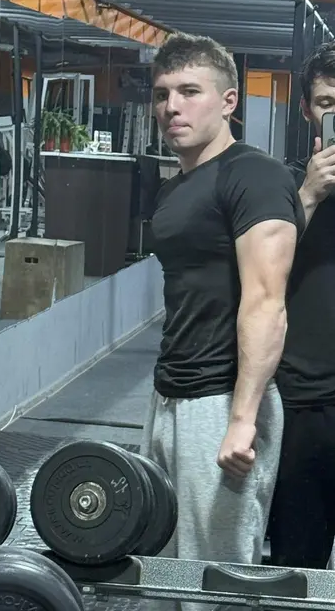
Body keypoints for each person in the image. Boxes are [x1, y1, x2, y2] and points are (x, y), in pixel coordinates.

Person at [140, 32, 306, 611]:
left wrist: (242, 419)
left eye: (190, 91)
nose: (172, 107)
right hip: (170, 394)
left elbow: (266, 302)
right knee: (159, 571)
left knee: (214, 582)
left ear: (229, 100)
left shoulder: (254, 176)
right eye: (162, 94)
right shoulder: (174, 188)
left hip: (221, 401)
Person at [269, 41, 335, 571]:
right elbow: (260, 270)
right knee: (299, 558)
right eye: (327, 102)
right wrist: (310, 195)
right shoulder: (283, 184)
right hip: (305, 399)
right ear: (308, 109)